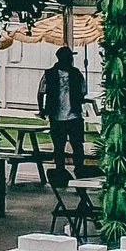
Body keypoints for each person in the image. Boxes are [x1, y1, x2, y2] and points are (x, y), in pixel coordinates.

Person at [38, 46, 90, 180]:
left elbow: (41, 92)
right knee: (73, 146)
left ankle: (65, 170)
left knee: (65, 146)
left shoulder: (50, 73)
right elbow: (83, 90)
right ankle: (73, 170)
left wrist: (42, 109)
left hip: (64, 116)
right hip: (69, 115)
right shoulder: (75, 73)